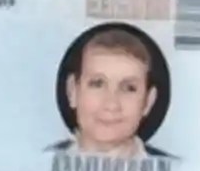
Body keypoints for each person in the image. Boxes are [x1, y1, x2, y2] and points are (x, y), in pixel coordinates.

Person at [48, 25, 173, 159]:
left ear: (148, 101)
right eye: (97, 84)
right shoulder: (38, 164)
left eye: (128, 88)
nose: (111, 104)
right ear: (72, 91)